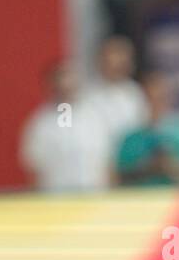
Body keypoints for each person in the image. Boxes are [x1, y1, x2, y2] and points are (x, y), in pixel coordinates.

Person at [20, 62, 116, 192]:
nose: (66, 85)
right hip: (55, 202)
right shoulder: (40, 124)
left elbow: (108, 163)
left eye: (70, 79)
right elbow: (33, 170)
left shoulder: (95, 116)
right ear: (51, 86)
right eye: (61, 81)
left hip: (95, 199)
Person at [116, 72, 179, 186]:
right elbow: (118, 177)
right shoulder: (131, 139)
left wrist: (172, 166)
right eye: (150, 99)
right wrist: (149, 168)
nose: (155, 104)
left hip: (177, 201)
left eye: (161, 98)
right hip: (141, 200)